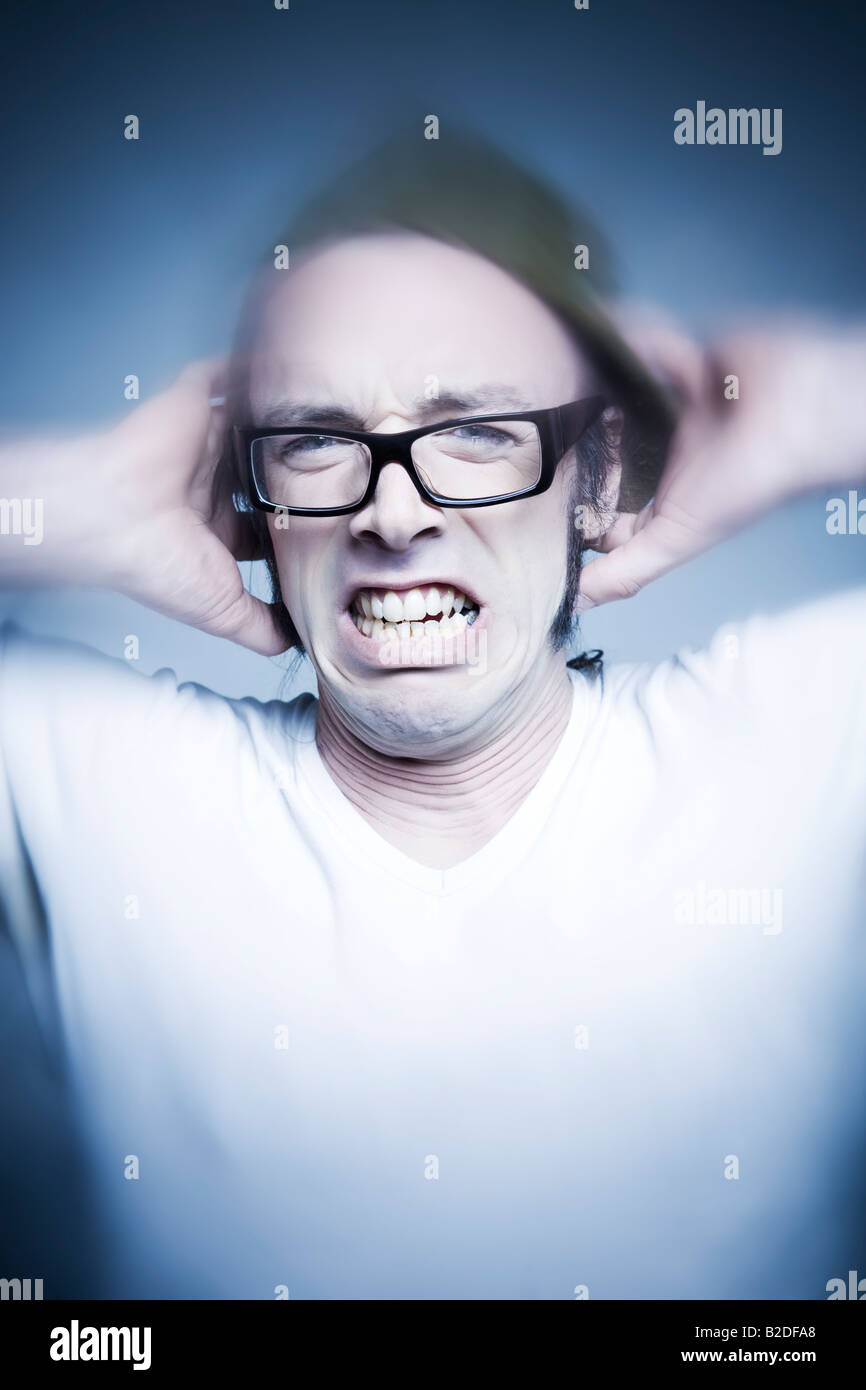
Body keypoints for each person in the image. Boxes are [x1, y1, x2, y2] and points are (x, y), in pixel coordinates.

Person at [1, 129, 864, 1300]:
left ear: (598, 474)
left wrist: (826, 404)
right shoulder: (93, 780)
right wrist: (71, 503)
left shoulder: (806, 735)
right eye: (315, 442)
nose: (394, 515)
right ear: (249, 499)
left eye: (477, 432)